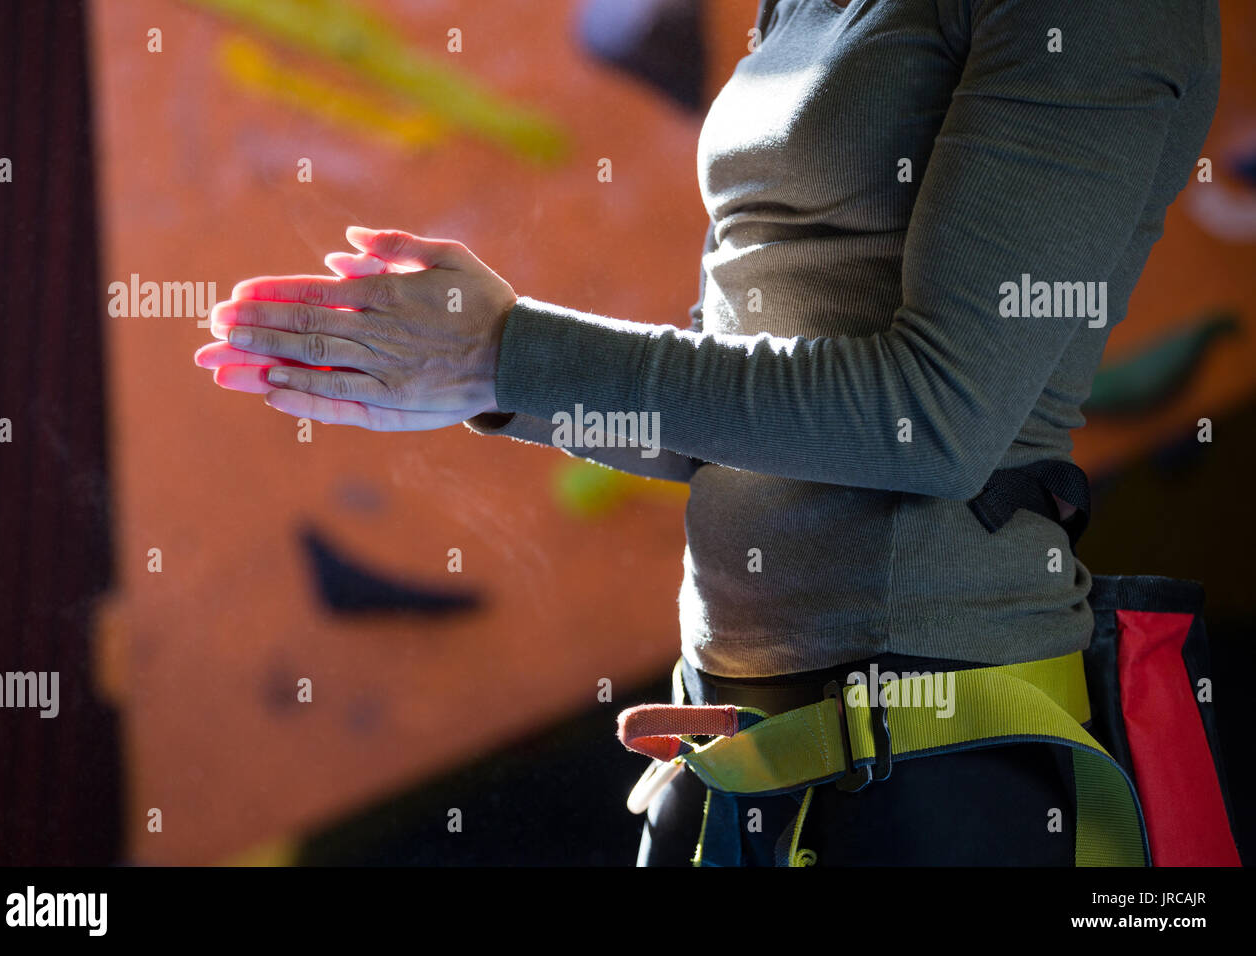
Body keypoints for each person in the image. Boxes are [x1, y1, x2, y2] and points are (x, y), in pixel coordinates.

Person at [195, 0, 1221, 865]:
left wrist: (509, 352)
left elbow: (933, 416)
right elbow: (730, 407)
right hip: (728, 755)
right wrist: (479, 377)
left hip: (933, 771)